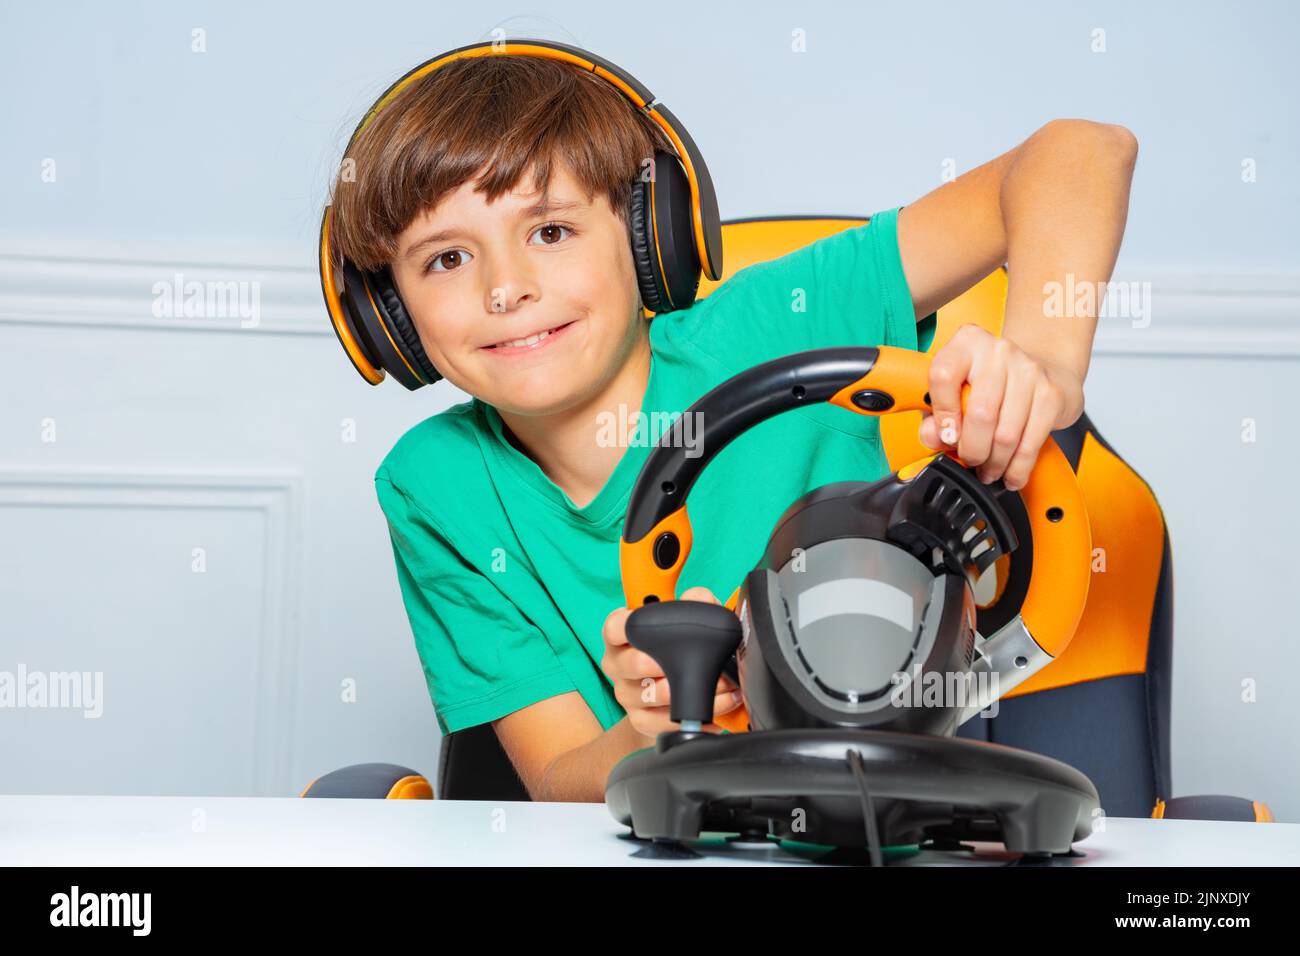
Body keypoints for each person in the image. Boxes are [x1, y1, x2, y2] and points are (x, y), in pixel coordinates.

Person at [325, 49, 1137, 802]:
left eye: (551, 231)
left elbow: (1081, 149)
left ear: (649, 242)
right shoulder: (434, 485)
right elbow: (562, 780)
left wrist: (1046, 356)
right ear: (388, 312)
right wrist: (645, 733)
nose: (506, 289)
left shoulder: (776, 324)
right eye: (446, 259)